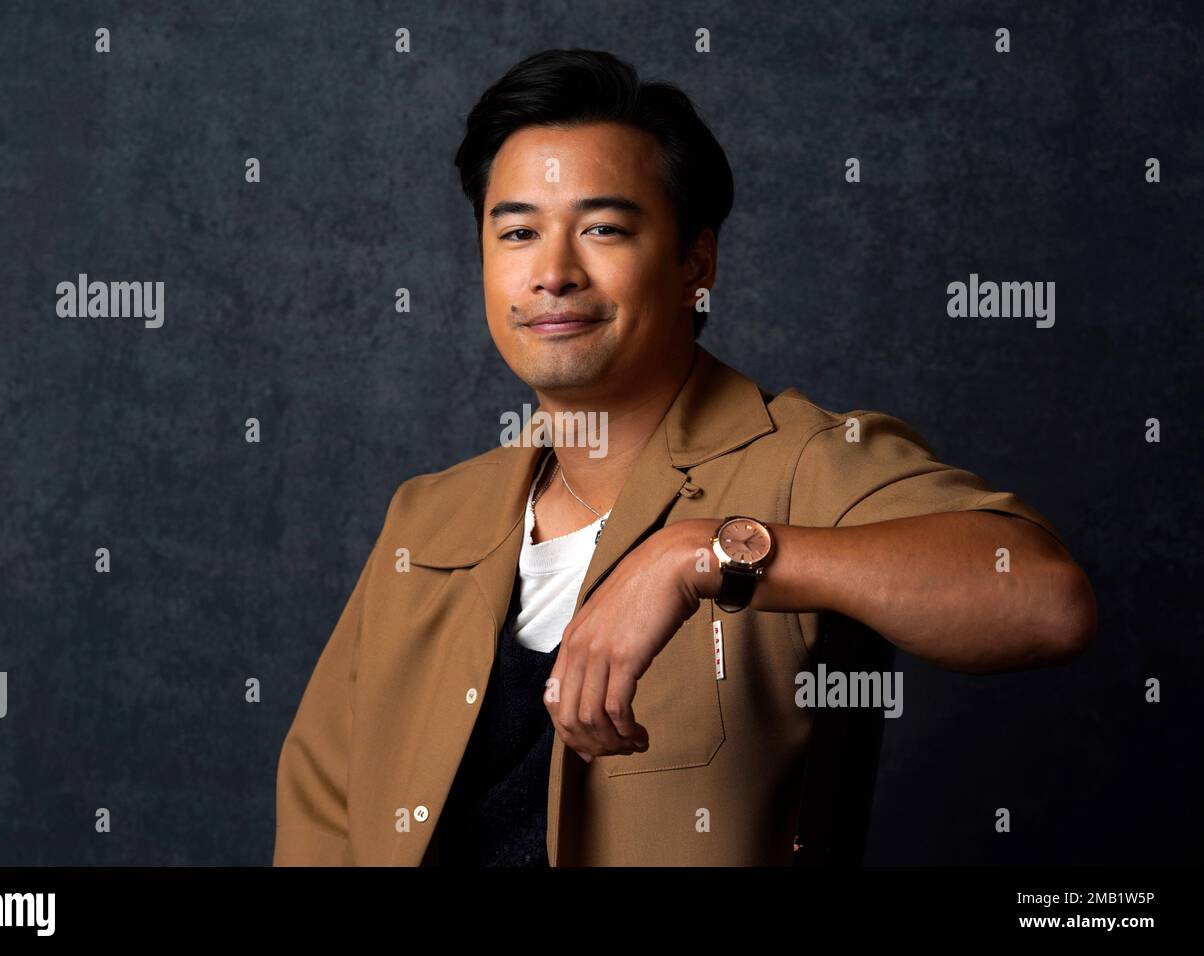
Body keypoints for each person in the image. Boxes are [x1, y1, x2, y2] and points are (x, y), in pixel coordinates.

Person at [273, 48, 1097, 867]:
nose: (553, 274)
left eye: (603, 229)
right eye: (518, 232)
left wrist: (699, 553)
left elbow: (1043, 598)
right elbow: (322, 812)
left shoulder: (804, 460)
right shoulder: (426, 518)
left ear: (695, 264)